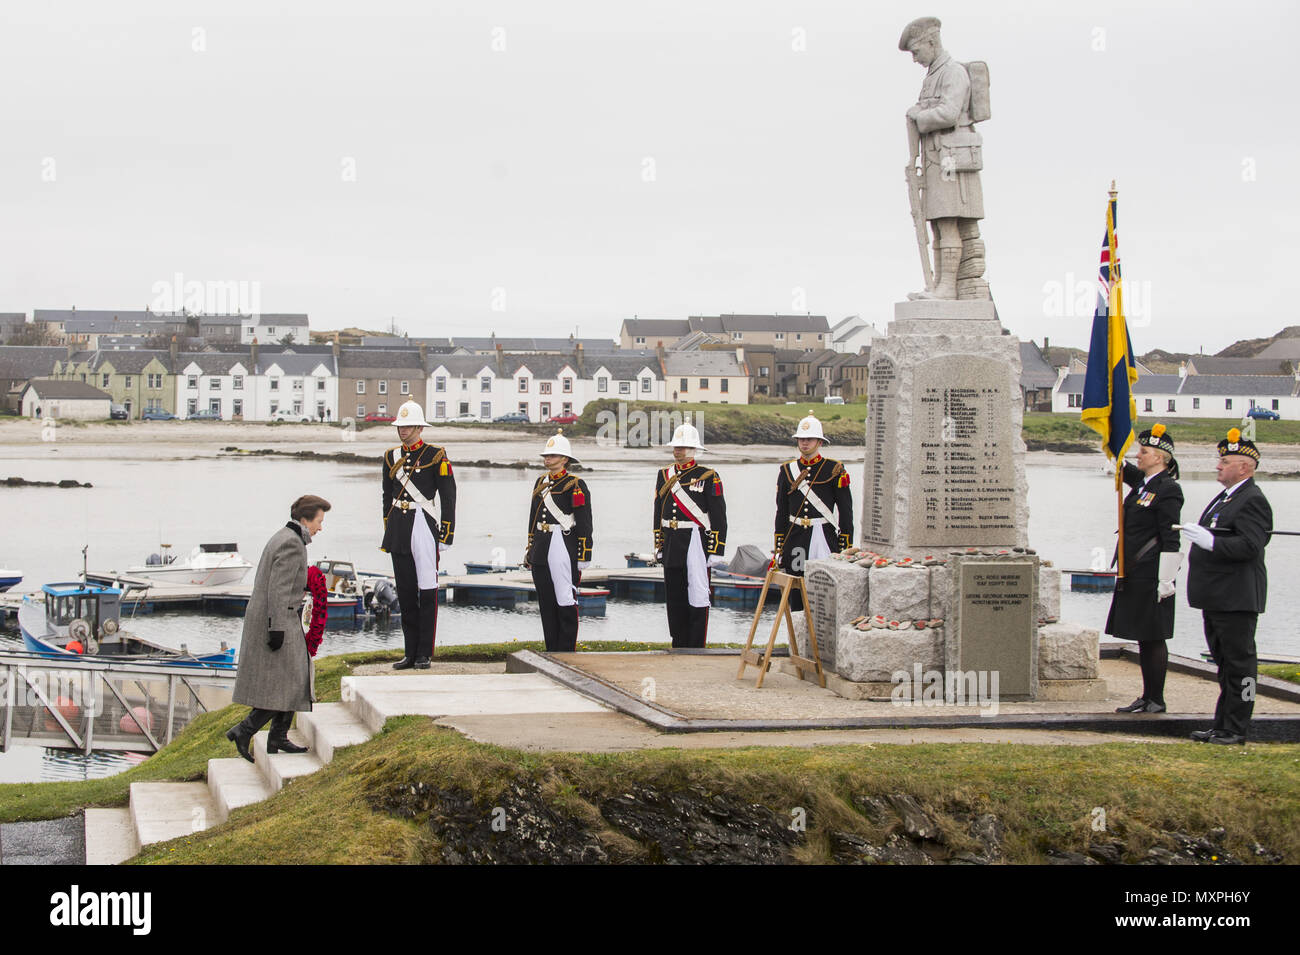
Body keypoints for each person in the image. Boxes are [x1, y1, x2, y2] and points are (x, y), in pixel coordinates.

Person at [1184, 428, 1273, 745]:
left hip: (1237, 599)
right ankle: (1222, 724)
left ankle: (1238, 728)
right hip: (1218, 598)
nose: (1218, 465)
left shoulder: (1253, 500)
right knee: (1224, 666)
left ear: (1245, 467)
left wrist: (1211, 543)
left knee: (1242, 668)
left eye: (1225, 460)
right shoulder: (1227, 497)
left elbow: (1251, 545)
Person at [227, 494, 331, 762]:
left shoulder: (286, 536)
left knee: (294, 678)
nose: (321, 527)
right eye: (319, 521)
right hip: (277, 621)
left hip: (279, 619)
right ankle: (244, 730)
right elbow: (279, 589)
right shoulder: (292, 544)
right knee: (290, 681)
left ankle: (278, 736)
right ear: (305, 519)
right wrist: (276, 628)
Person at [900, 16, 988, 301]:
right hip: (936, 159)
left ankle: (948, 288)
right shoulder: (932, 77)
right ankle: (940, 285)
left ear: (931, 41)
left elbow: (949, 113)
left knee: (947, 221)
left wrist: (919, 116)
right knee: (938, 225)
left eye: (916, 51)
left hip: (952, 161)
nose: (915, 58)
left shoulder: (952, 73)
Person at [1106, 424, 1184, 714]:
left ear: (1161, 457)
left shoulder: (1168, 489)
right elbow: (1124, 469)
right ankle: (1146, 695)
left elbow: (1170, 535)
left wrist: (1167, 578)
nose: (1139, 455)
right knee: (1142, 635)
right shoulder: (1145, 483)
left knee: (1153, 636)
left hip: (1152, 572)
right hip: (1134, 571)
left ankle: (1156, 698)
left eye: (1145, 451)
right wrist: (1110, 440)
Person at [382, 400, 456, 670]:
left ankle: (424, 652)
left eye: (408, 426)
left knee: (427, 589)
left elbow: (448, 496)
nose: (402, 431)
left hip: (424, 524)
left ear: (419, 427)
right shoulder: (391, 457)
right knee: (404, 591)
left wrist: (446, 533)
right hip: (399, 527)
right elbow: (385, 497)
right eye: (400, 426)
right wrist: (387, 528)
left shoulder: (436, 455)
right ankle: (409, 652)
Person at [653, 423, 727, 648]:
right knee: (674, 593)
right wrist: (658, 542)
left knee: (697, 593)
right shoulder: (664, 474)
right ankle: (678, 640)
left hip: (695, 539)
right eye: (677, 446)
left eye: (684, 447)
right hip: (672, 539)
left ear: (694, 450)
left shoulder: (708, 476)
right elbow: (658, 511)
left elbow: (718, 516)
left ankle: (695, 643)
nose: (678, 451)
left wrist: (716, 549)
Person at [775, 413, 853, 609]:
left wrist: (845, 543)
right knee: (797, 592)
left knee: (825, 591)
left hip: (823, 535)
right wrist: (779, 545)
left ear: (819, 442)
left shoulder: (835, 469)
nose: (805, 443)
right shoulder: (787, 470)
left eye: (809, 439)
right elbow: (781, 511)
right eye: (801, 439)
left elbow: (845, 510)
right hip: (796, 536)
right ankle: (799, 637)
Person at [524, 431, 592, 651]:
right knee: (545, 600)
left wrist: (584, 553)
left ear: (565, 459)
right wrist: (530, 549)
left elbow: (584, 521)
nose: (548, 459)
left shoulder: (575, 484)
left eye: (553, 455)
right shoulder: (540, 482)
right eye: (547, 455)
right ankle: (551, 648)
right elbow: (533, 518)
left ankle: (566, 649)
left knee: (565, 598)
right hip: (542, 546)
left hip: (563, 544)